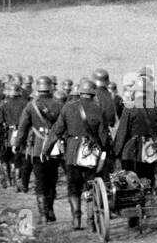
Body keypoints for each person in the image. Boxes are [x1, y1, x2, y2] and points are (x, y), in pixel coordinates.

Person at [45, 78, 110, 230]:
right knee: (91, 186)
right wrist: (105, 152)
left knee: (73, 187)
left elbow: (57, 130)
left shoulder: (68, 107)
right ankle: (91, 220)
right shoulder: (98, 110)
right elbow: (103, 137)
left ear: (80, 91)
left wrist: (46, 149)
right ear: (93, 93)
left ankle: (76, 219)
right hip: (92, 153)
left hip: (72, 153)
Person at [16, 76, 64, 223]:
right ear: (50, 88)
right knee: (52, 181)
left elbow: (23, 128)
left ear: (38, 88)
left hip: (37, 148)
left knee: (40, 182)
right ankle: (50, 211)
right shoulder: (59, 105)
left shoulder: (31, 106)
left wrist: (18, 144)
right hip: (54, 148)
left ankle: (43, 215)